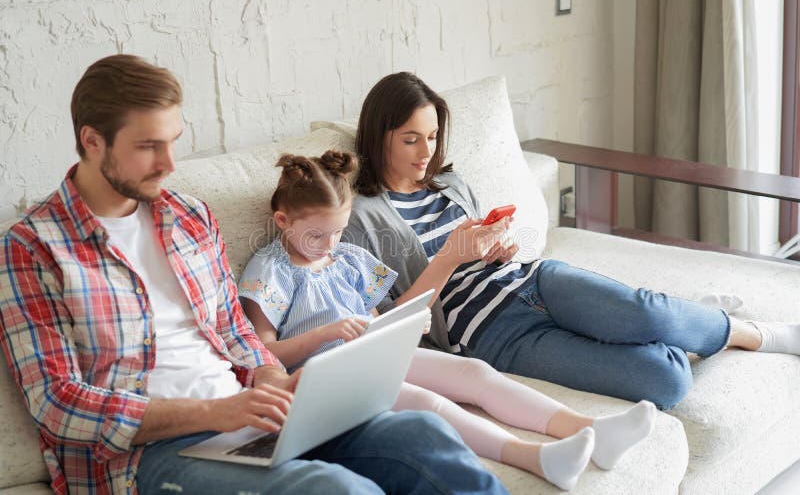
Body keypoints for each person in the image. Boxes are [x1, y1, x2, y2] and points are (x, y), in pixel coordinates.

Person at [0, 55, 508, 495]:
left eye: (174, 142)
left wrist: (272, 381)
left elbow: (235, 332)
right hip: (148, 457)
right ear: (92, 141)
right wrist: (216, 414)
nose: (170, 164)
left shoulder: (188, 217)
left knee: (424, 436)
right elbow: (58, 404)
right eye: (149, 147)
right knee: (336, 490)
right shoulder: (33, 249)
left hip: (251, 417)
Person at [341, 71, 800, 412]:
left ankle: (753, 333)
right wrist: (449, 257)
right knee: (666, 382)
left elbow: (489, 244)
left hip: (535, 282)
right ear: (378, 138)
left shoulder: (450, 182)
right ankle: (686, 328)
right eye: (411, 140)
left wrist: (503, 247)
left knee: (646, 309)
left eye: (433, 136)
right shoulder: (361, 219)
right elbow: (392, 327)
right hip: (494, 337)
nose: (426, 152)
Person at [239, 149, 657, 491]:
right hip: (327, 380)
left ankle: (592, 431)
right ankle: (535, 458)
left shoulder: (345, 258)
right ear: (283, 222)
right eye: (317, 235)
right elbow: (263, 352)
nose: (329, 244)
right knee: (425, 403)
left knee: (474, 372)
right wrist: (324, 334)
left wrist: (399, 323)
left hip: (370, 356)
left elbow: (374, 313)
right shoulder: (271, 269)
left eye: (338, 232)